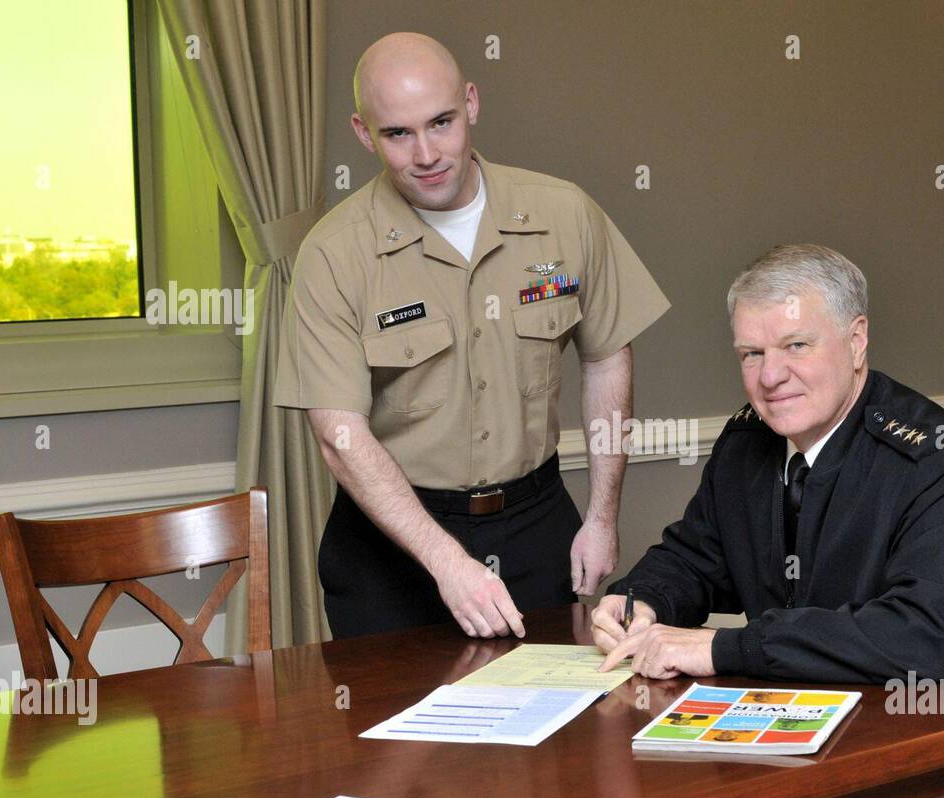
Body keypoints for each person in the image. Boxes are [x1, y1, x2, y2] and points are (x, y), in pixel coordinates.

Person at [591, 243, 944, 798]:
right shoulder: (748, 447)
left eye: (796, 346)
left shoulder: (935, 458)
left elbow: (922, 644)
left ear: (857, 339)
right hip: (820, 746)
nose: (770, 375)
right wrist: (643, 602)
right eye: (751, 354)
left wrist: (721, 650)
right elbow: (695, 555)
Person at [274, 33, 669, 640]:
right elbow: (338, 436)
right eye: (397, 134)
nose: (427, 152)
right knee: (394, 735)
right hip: (392, 547)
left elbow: (608, 354)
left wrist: (602, 515)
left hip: (537, 527)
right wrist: (446, 563)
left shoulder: (565, 215)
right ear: (362, 132)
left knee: (561, 725)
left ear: (472, 104)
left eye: (442, 122)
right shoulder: (333, 253)